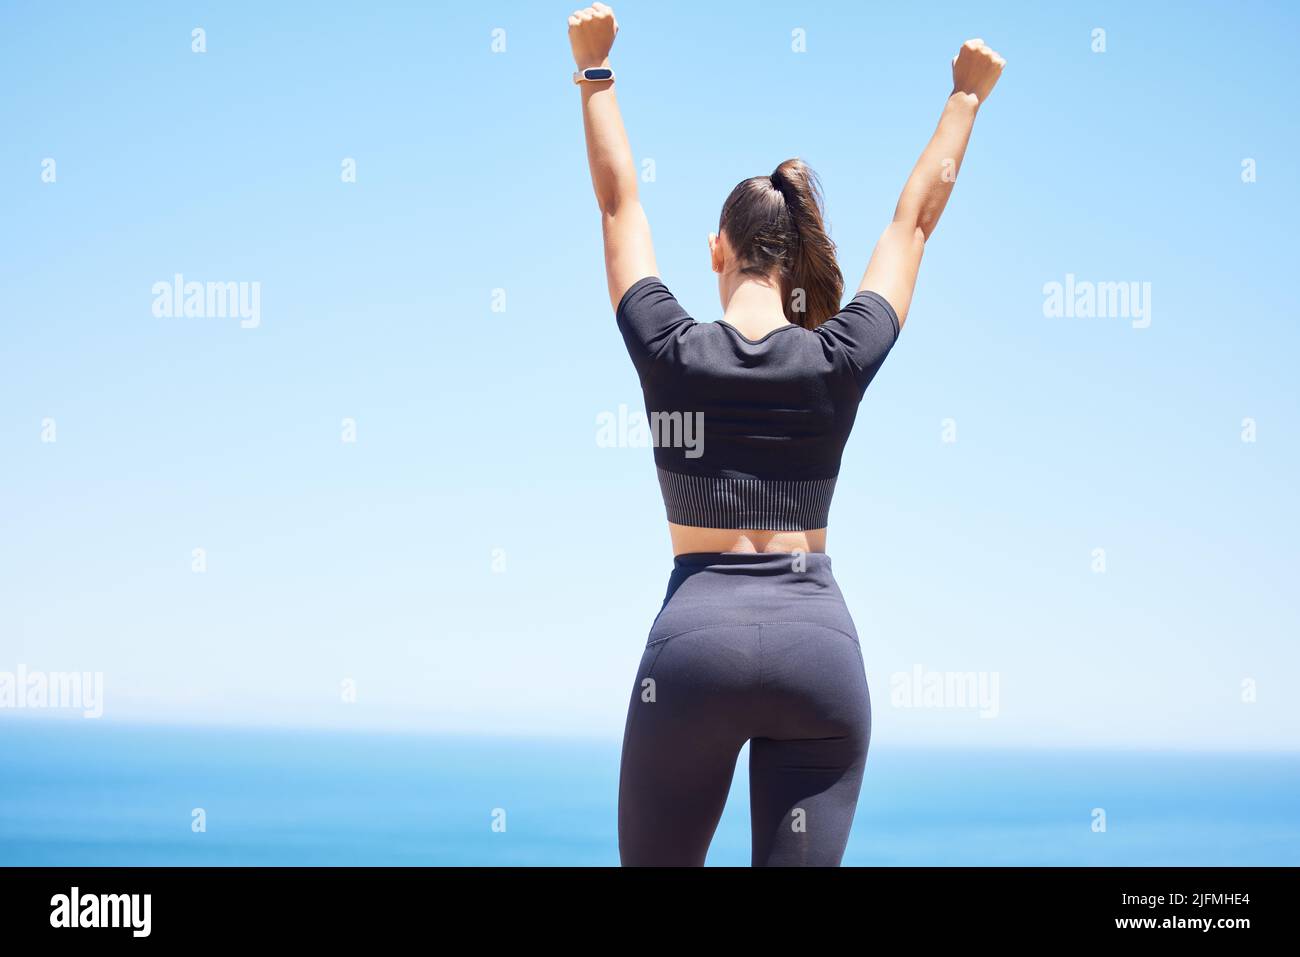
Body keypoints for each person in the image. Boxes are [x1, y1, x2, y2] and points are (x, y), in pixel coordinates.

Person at [568, 3, 1005, 866]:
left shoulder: (667, 343)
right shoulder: (837, 354)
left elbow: (620, 204)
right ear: (790, 256)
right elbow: (910, 226)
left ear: (718, 249)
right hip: (820, 656)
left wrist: (594, 73)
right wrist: (964, 98)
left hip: (695, 649)